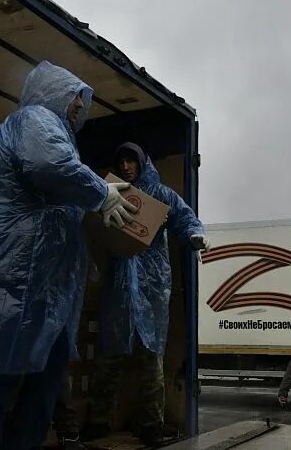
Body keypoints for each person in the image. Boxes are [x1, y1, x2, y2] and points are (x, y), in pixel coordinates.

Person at [0, 61, 137, 450]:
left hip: (46, 289)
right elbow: (50, 166)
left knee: (45, 380)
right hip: (13, 281)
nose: (80, 106)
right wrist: (100, 193)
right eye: (75, 97)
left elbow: (61, 200)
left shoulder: (56, 134)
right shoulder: (32, 120)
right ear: (52, 91)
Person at [0, 164, 86, 449]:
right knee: (13, 378)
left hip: (14, 294)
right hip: (19, 294)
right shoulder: (28, 182)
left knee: (12, 376)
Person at [84, 142, 209, 447]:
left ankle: (151, 425)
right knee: (108, 361)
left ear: (141, 162)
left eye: (131, 161)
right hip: (118, 291)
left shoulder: (160, 194)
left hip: (151, 291)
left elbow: (184, 218)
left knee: (151, 362)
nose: (126, 167)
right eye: (122, 162)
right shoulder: (112, 193)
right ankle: (99, 421)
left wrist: (195, 235)